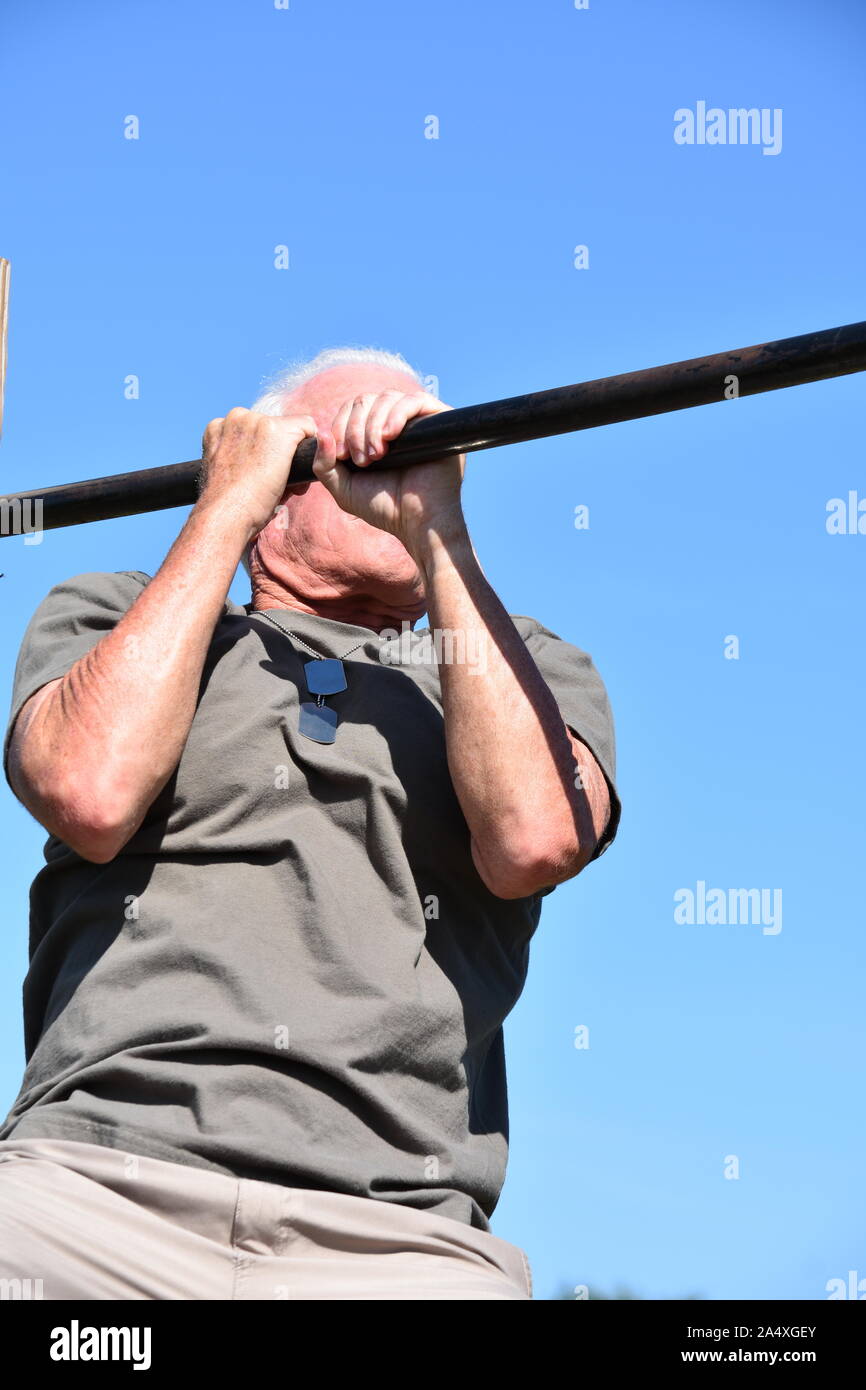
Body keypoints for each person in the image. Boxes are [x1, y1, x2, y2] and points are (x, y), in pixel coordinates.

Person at [0, 346, 620, 1300]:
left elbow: (536, 838)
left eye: (423, 442)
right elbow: (89, 790)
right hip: (92, 1195)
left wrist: (436, 527)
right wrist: (221, 508)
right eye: (362, 448)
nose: (399, 459)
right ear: (277, 485)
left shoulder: (522, 663)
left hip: (399, 1238)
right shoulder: (120, 613)